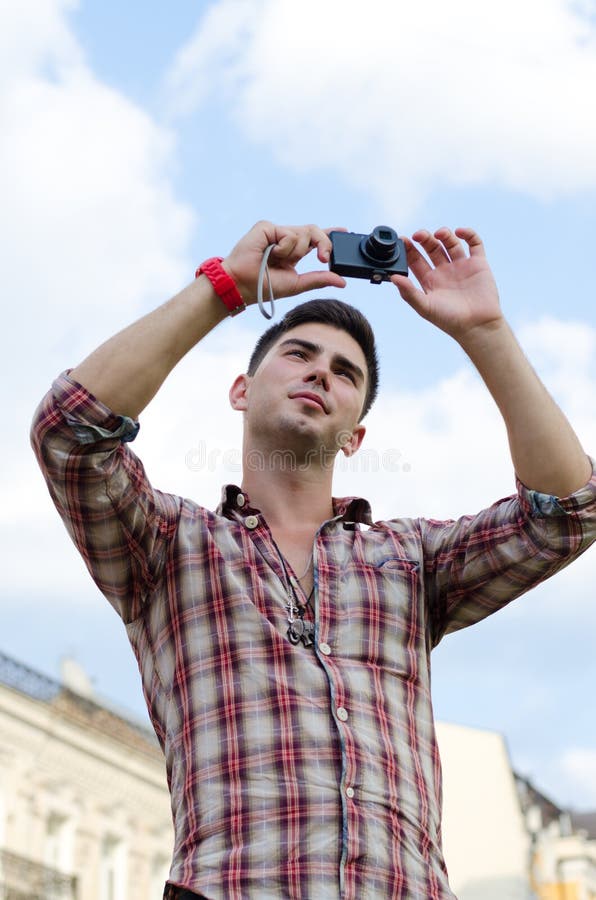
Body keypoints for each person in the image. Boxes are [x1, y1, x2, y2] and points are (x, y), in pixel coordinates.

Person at [31, 221, 596, 900]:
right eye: (298, 354)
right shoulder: (167, 545)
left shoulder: (411, 559)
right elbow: (69, 431)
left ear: (355, 436)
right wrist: (225, 290)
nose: (321, 372)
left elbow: (569, 512)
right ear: (241, 391)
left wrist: (485, 332)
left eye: (344, 372)